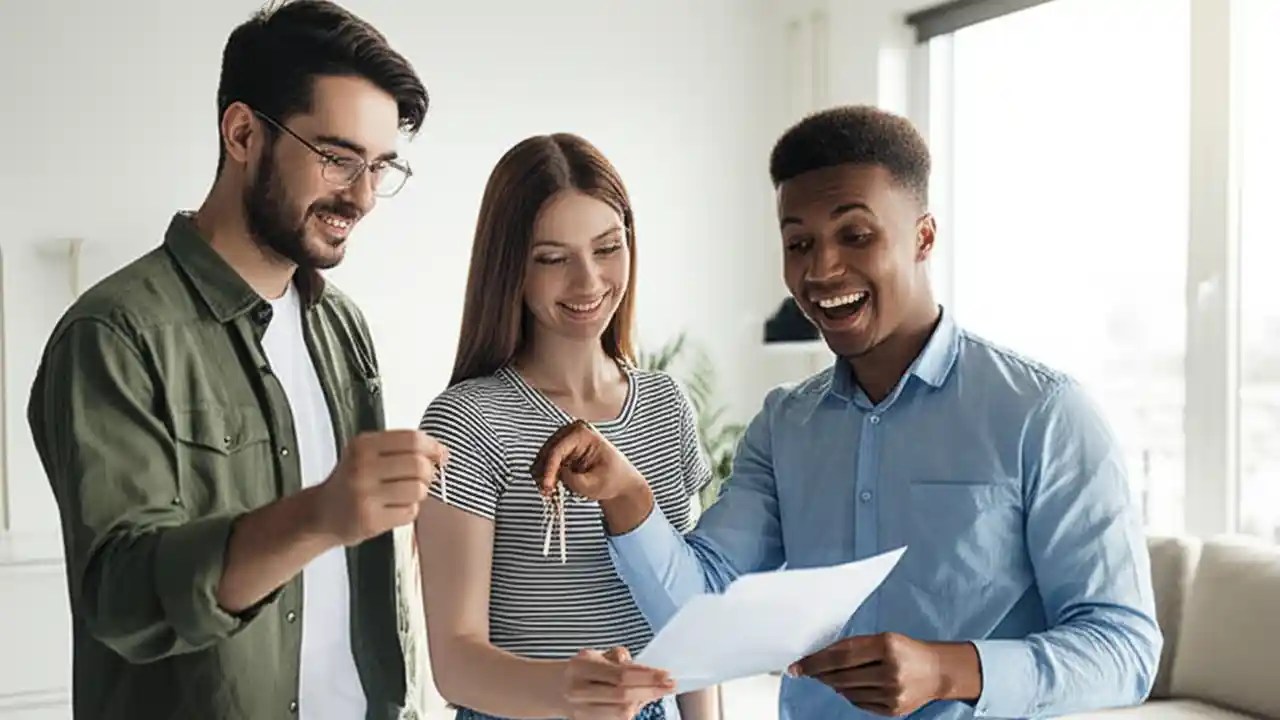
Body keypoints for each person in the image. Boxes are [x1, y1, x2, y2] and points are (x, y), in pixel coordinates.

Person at [530, 105, 1164, 719]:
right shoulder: (783, 428)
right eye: (798, 242)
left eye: (855, 236)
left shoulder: (1044, 414)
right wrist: (624, 492)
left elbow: (1125, 648)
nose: (822, 268)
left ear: (923, 236)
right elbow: (698, 608)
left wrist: (950, 669)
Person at [26, 3, 442, 718]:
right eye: (339, 159)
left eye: (380, 166)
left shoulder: (343, 330)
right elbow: (122, 597)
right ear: (243, 132)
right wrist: (317, 515)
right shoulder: (113, 334)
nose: (364, 197)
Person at [416, 133, 719, 720]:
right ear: (511, 269)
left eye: (607, 248)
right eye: (552, 259)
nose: (588, 282)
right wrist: (570, 691)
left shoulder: (666, 404)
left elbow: (689, 620)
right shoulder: (467, 420)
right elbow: (454, 662)